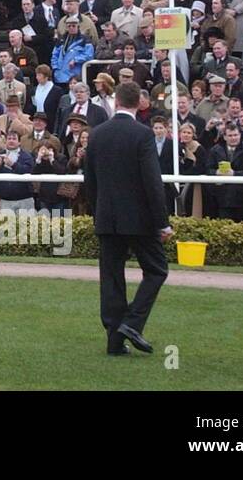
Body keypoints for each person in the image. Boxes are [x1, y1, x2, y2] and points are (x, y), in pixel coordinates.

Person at [83, 80, 172, 356]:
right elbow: (152, 182)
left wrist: (97, 212)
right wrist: (163, 222)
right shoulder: (143, 135)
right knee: (157, 270)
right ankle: (131, 323)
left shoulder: (97, 134)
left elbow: (90, 181)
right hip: (140, 220)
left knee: (111, 278)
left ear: (117, 102)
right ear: (138, 104)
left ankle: (115, 340)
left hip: (107, 218)